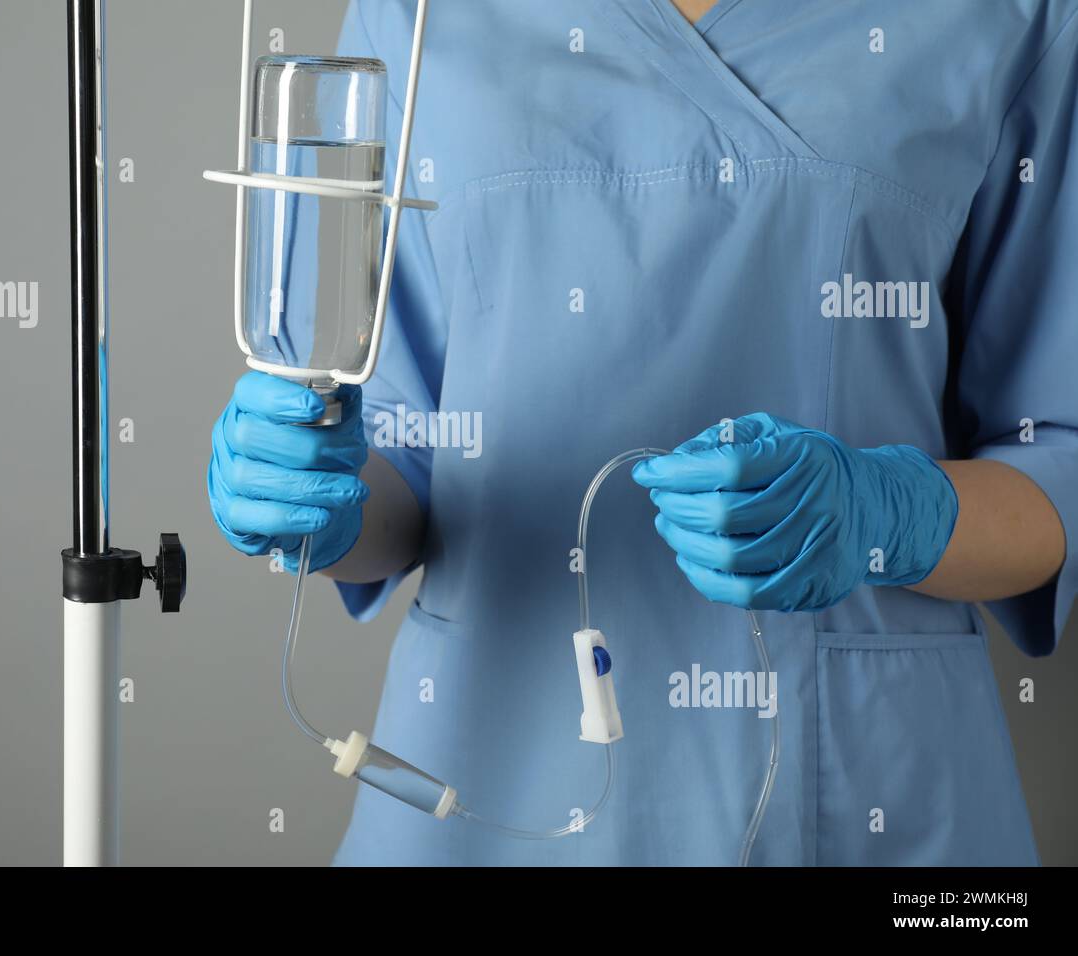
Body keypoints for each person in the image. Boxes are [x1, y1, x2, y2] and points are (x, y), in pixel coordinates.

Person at [209, 0, 1077, 864]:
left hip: (857, 781)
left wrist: (887, 515)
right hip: (494, 765)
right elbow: (408, 466)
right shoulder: (418, 15)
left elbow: (1061, 463)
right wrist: (321, 498)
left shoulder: (1007, 18)